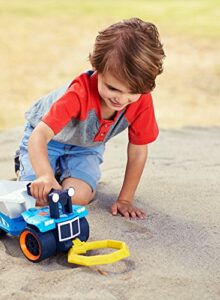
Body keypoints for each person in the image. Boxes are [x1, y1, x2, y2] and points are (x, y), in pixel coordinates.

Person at [14, 17, 165, 219]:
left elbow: (138, 152)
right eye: (113, 88)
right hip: (48, 141)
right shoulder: (78, 94)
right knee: (38, 196)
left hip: (85, 148)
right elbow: (39, 136)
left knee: (77, 197)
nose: (122, 99)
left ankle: (58, 172)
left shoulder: (142, 100)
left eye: (133, 92)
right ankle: (31, 165)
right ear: (96, 67)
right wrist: (44, 175)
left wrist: (125, 199)